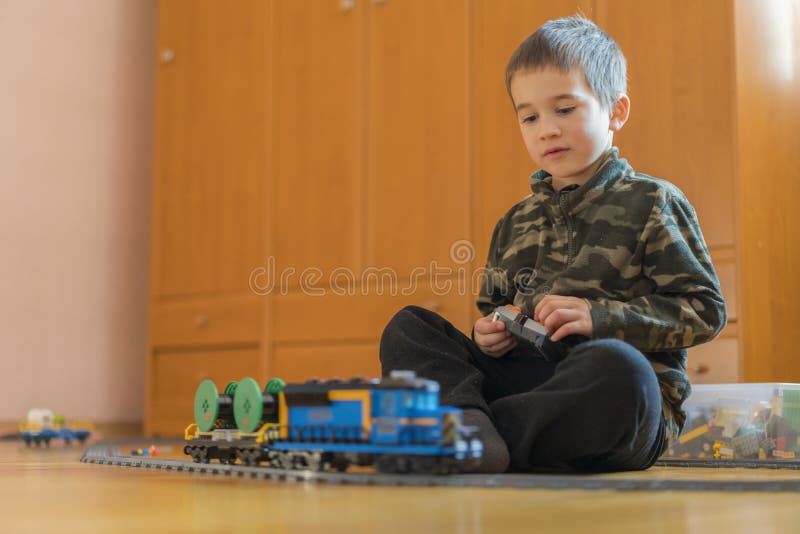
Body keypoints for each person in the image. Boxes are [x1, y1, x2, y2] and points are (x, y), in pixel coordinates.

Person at [379, 16, 726, 473]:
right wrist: (491, 335)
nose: (546, 129)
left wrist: (598, 318)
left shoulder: (654, 201)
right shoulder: (514, 221)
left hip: (613, 400)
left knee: (620, 368)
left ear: (616, 111)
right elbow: (493, 313)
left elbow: (705, 311)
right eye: (529, 116)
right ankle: (472, 429)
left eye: (565, 110)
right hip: (529, 389)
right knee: (408, 326)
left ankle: (475, 437)